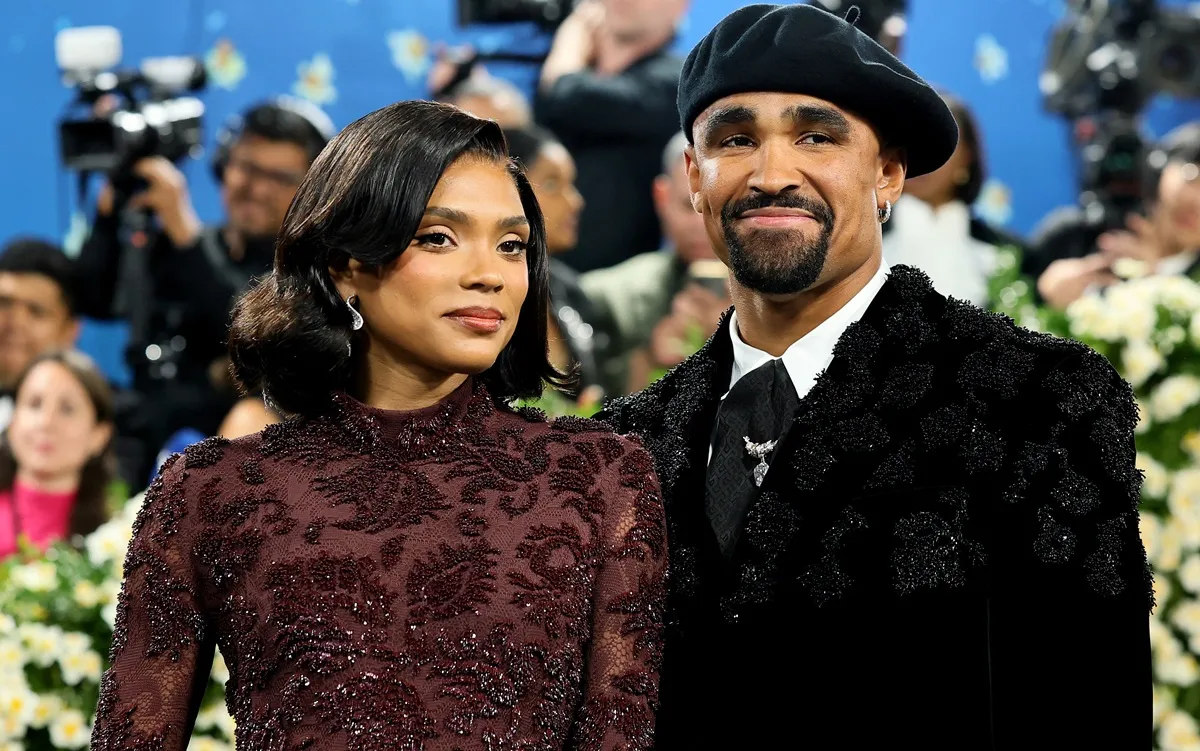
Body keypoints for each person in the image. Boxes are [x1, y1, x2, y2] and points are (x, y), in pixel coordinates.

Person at [598, 5, 1151, 749]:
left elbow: (1087, 711)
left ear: (887, 173)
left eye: (815, 136)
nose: (771, 174)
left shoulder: (1038, 399)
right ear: (695, 177)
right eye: (736, 140)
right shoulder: (626, 442)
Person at [92, 99, 667, 751]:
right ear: (346, 266)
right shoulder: (209, 492)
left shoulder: (601, 476)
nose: (488, 275)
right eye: (438, 238)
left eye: (511, 245)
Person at [75, 97, 335, 486]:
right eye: (246, 167)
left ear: (312, 192)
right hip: (140, 446)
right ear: (222, 166)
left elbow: (257, 337)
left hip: (232, 463)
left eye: (280, 177)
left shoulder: (313, 274)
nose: (256, 188)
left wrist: (185, 234)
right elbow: (94, 299)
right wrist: (109, 214)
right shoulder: (176, 244)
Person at [535, 0, 689, 272]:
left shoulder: (676, 80)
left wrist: (569, 42)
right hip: (539, 273)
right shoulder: (561, 75)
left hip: (614, 291)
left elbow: (573, 97)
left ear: (680, 5)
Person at [581, 131, 727, 394]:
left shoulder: (795, 300)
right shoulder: (606, 298)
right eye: (689, 205)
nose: (702, 225)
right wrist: (651, 359)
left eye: (718, 208)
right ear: (661, 196)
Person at [882, 91, 1029, 308]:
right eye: (910, 143)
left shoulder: (1010, 254)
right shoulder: (856, 240)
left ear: (967, 156)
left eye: (936, 143)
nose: (922, 159)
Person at [1035, 121, 1200, 309]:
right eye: (1193, 176)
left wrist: (1156, 281)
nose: (1197, 202)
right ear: (1158, 168)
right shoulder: (1073, 237)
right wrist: (1043, 297)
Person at [503, 124, 610, 400]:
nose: (576, 201)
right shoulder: (481, 290)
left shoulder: (569, 289)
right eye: (552, 184)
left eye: (571, 184)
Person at [0, 350, 116, 557]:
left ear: (99, 435)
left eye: (67, 409)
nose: (46, 423)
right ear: (12, 422)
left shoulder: (116, 539)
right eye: (34, 404)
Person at [0, 239, 80, 431]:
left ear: (69, 331)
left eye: (36, 311)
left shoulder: (109, 417)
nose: (15, 323)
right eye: (4, 303)